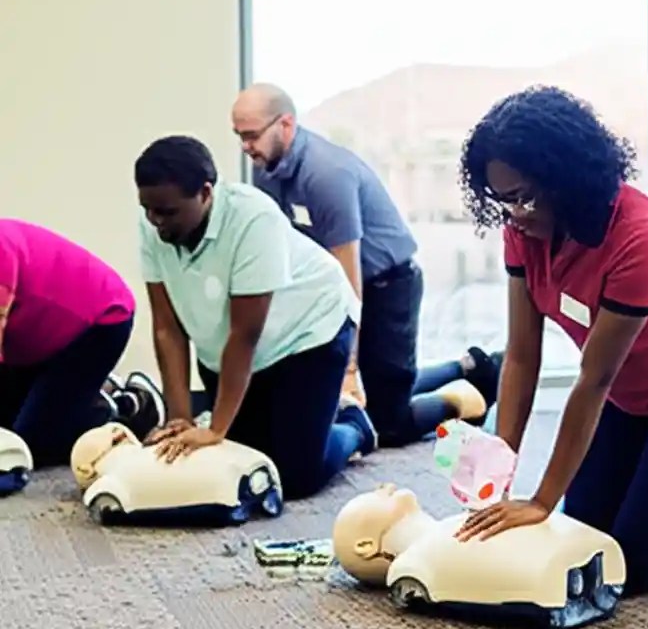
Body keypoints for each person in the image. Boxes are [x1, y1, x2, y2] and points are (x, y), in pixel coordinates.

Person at [450, 85, 648, 596]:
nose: (515, 214)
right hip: (626, 398)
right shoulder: (522, 230)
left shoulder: (639, 236)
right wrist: (499, 468)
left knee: (624, 566)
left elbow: (593, 378)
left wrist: (542, 499)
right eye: (502, 202)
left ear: (565, 179)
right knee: (583, 535)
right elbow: (522, 355)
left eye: (524, 196)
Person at [133, 135, 376, 500]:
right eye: (148, 209)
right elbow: (168, 328)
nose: (155, 221)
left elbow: (244, 334)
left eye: (167, 212)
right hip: (232, 344)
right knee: (238, 458)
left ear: (205, 193)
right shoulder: (154, 222)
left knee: (292, 477)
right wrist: (179, 419)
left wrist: (215, 427)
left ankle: (354, 425)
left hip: (308, 330)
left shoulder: (253, 218)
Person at [232, 83, 425, 447]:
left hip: (386, 284)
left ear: (285, 125)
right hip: (334, 288)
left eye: (251, 135)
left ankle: (475, 372)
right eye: (239, 136)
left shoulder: (326, 174)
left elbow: (349, 274)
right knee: (333, 401)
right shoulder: (266, 168)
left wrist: (349, 369)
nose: (245, 146)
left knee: (387, 423)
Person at [0, 220, 161, 465]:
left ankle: (125, 410)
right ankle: (86, 397)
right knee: (7, 433)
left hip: (96, 323)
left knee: (25, 449)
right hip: (34, 337)